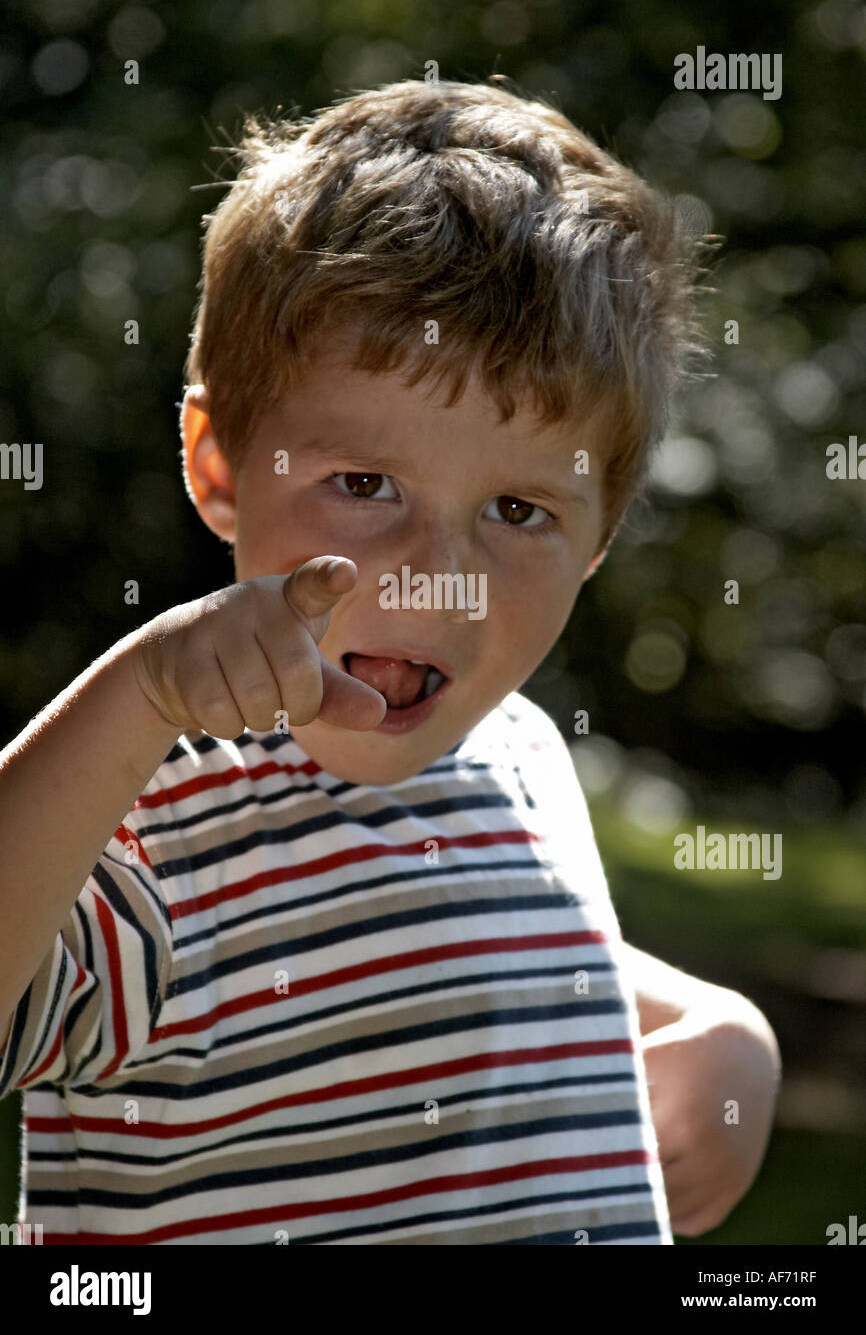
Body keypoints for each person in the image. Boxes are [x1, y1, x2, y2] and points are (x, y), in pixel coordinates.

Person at [0, 79, 779, 1245]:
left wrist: (718, 1028)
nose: (434, 574)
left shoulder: (515, 748)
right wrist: (135, 695)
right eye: (364, 486)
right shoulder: (148, 817)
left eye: (517, 510)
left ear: (599, 536)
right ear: (217, 466)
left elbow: (487, 951)